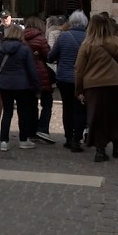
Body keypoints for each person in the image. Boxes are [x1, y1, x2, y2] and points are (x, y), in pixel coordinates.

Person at [74, 13, 118, 162]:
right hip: (116, 84)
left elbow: (79, 69)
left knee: (96, 116)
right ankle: (116, 146)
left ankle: (100, 149)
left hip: (93, 85)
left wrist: (78, 89)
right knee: (114, 115)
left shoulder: (87, 44)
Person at [0, 23, 40, 151]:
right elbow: (31, 70)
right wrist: (36, 86)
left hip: (4, 84)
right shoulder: (25, 49)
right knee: (23, 112)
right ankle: (23, 140)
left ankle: (4, 141)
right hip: (21, 84)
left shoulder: (1, 48)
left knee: (7, 112)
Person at [48, 10, 89, 151]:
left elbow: (51, 56)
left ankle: (68, 138)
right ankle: (77, 139)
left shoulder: (64, 37)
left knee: (67, 108)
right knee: (81, 109)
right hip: (82, 79)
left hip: (64, 78)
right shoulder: (88, 37)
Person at [22, 17, 57, 144]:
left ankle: (31, 131)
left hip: (26, 74)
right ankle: (42, 128)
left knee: (31, 104)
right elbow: (48, 57)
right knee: (47, 102)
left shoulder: (21, 38)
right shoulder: (41, 39)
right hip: (41, 74)